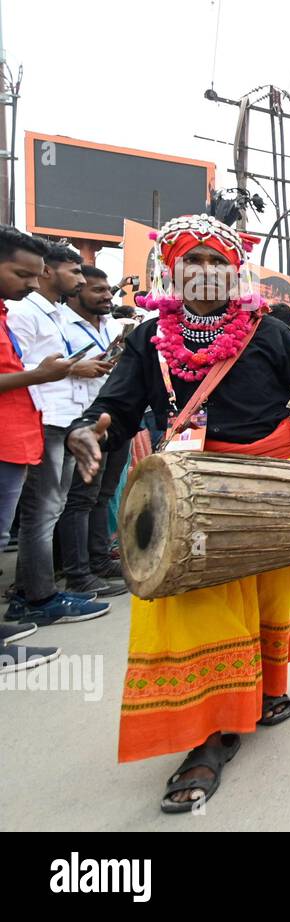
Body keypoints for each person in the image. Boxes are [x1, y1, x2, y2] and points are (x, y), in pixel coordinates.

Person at [64, 208, 290, 812]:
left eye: (216, 260)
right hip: (192, 486)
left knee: (270, 592)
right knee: (198, 606)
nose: (203, 270)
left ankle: (266, 691)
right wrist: (92, 428)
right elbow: (116, 404)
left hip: (273, 476)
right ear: (171, 268)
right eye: (191, 260)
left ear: (235, 270)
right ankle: (208, 736)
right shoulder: (149, 339)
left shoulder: (269, 331)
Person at [5, 243, 113, 626]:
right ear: (49, 272)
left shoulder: (50, 313)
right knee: (42, 512)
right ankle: (37, 596)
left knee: (51, 510)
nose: (82, 279)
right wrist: (71, 369)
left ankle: (33, 591)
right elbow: (17, 366)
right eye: (74, 272)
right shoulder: (21, 311)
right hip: (43, 418)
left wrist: (78, 367)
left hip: (66, 417)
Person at [0, 227, 75, 672]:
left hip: (18, 437)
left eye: (36, 274)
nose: (31, 283)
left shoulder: (6, 311)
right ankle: (34, 599)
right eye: (22, 274)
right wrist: (38, 376)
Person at [54, 265, 129, 597]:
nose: (107, 296)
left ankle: (99, 561)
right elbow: (43, 368)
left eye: (108, 291)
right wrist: (75, 367)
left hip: (118, 419)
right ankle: (77, 573)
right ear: (77, 291)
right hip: (80, 420)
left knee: (103, 495)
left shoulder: (111, 325)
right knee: (78, 500)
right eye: (98, 290)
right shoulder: (61, 323)